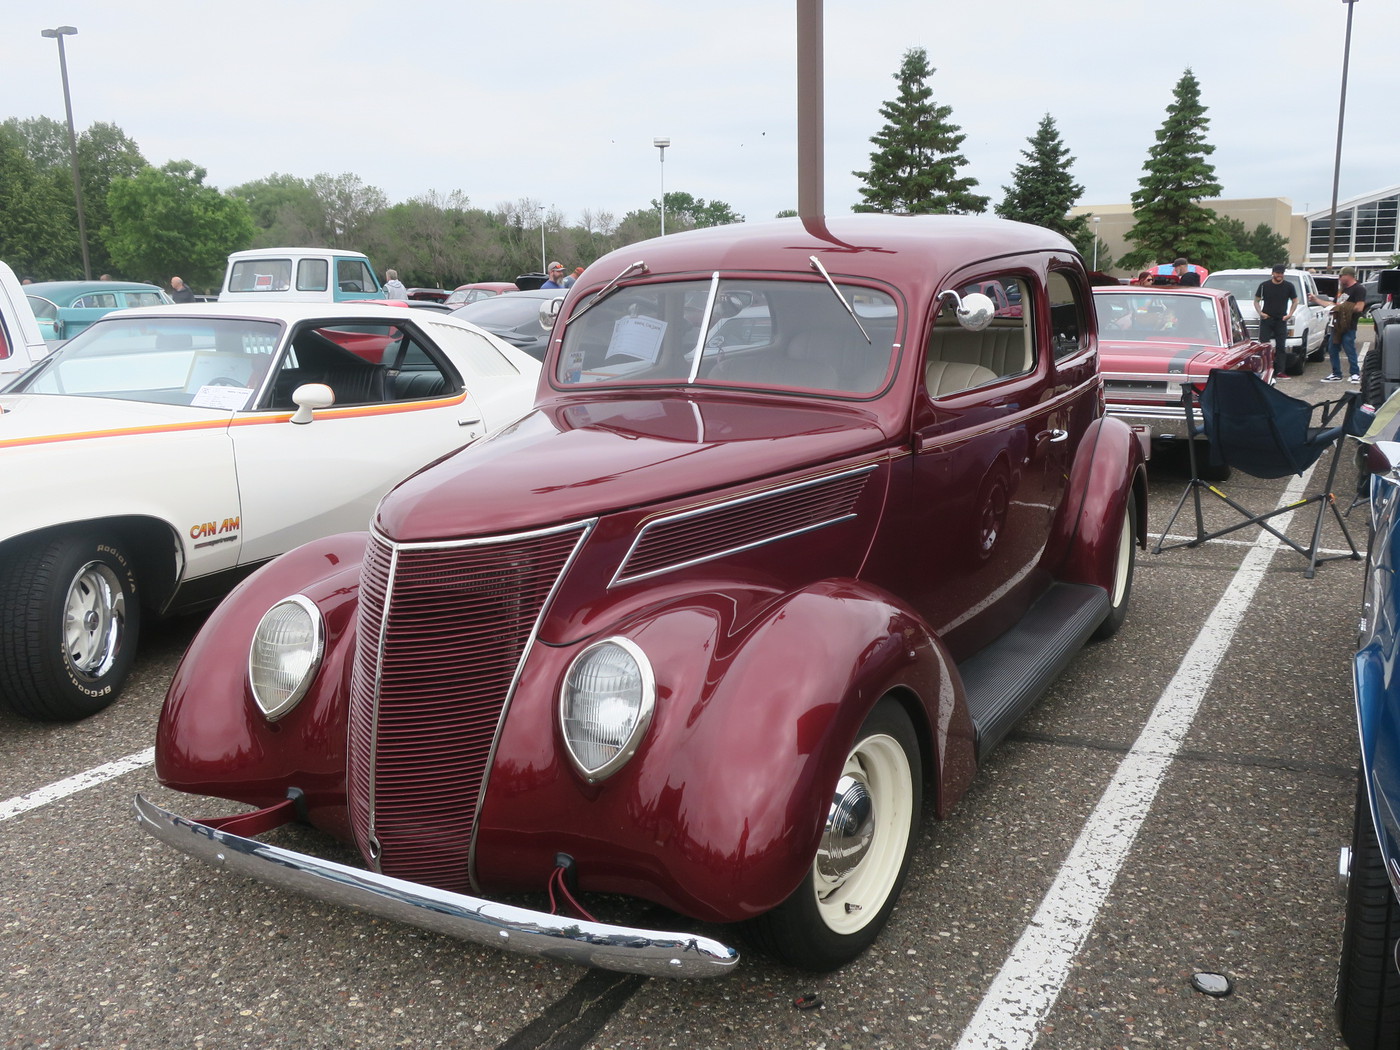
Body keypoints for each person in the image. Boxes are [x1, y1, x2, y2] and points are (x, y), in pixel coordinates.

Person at [1313, 266, 1368, 382]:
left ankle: (1355, 373)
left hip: (1349, 324)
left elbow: (1359, 307)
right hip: (1336, 324)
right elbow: (1333, 305)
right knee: (1332, 348)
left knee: (1349, 348)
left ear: (1348, 276)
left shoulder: (1359, 289)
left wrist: (1343, 308)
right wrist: (1316, 300)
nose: (1339, 278)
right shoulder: (1342, 290)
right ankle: (1336, 373)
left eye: (1341, 276)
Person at [1253, 264, 1297, 378]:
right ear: (1273, 273)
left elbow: (1295, 300)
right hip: (1267, 319)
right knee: (1264, 345)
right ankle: (1264, 369)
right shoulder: (1264, 286)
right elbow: (1256, 301)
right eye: (1277, 273)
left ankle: (1280, 371)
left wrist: (1290, 314)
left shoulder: (1289, 286)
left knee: (1281, 347)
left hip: (1281, 320)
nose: (1279, 275)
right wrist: (1260, 313)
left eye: (1281, 273)